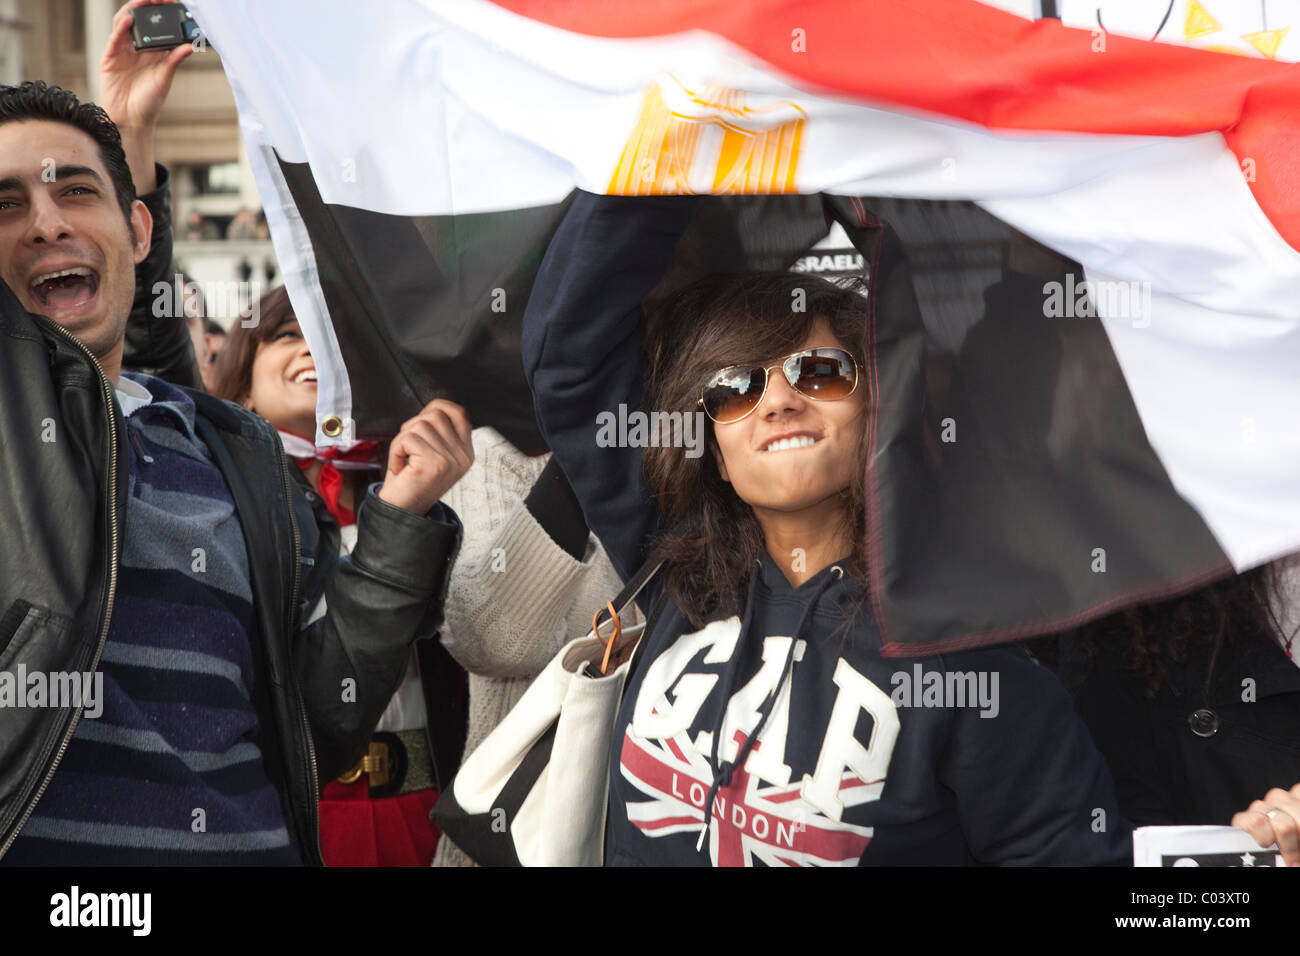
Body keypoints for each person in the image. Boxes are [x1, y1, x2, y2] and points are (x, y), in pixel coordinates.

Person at [521, 193, 1134, 866]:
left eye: (819, 373)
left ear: (878, 413)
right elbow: (569, 358)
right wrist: (672, 148)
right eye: (735, 386)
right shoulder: (677, 559)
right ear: (715, 452)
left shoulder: (970, 655)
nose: (779, 399)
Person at [0, 5, 471, 865]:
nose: (46, 222)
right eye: (6, 204)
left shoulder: (226, 452)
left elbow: (317, 719)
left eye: (76, 190)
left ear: (138, 230)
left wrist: (399, 523)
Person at [212, 287, 473, 866]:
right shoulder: (212, 493)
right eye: (287, 335)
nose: (314, 352)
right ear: (243, 385)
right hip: (296, 816)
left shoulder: (431, 482)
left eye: (333, 342)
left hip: (425, 817)